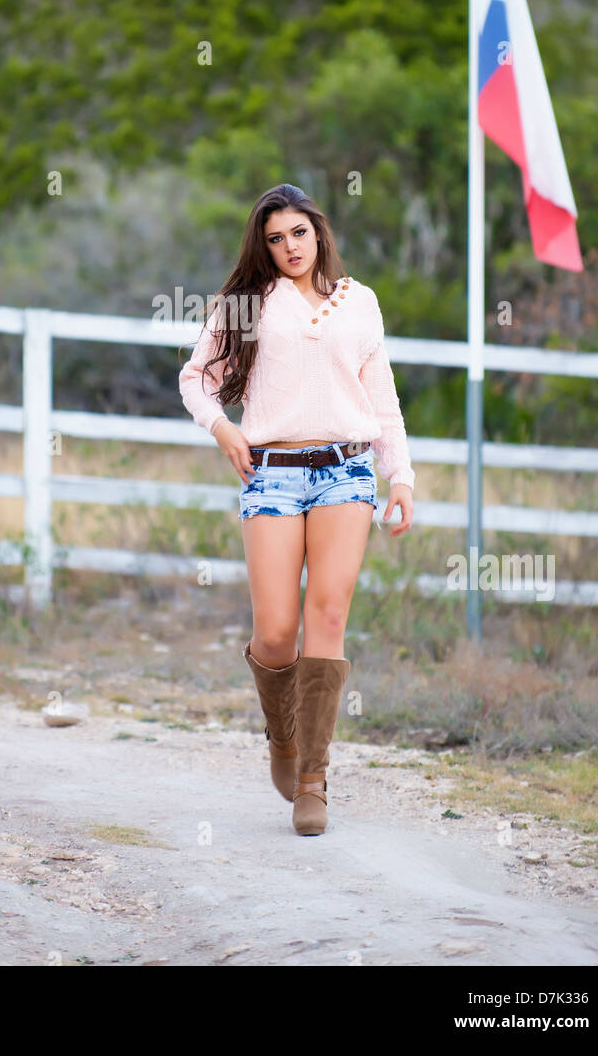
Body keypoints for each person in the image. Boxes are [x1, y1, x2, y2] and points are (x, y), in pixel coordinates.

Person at [178, 183, 414, 835]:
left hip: (346, 471)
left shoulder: (359, 303)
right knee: (277, 632)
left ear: (319, 231)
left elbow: (383, 402)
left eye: (299, 233)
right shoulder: (246, 305)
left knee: (328, 614)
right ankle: (282, 739)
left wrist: (402, 477)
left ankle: (313, 778)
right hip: (271, 474)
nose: (289, 247)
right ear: (264, 244)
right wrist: (222, 428)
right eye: (276, 238)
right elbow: (195, 377)